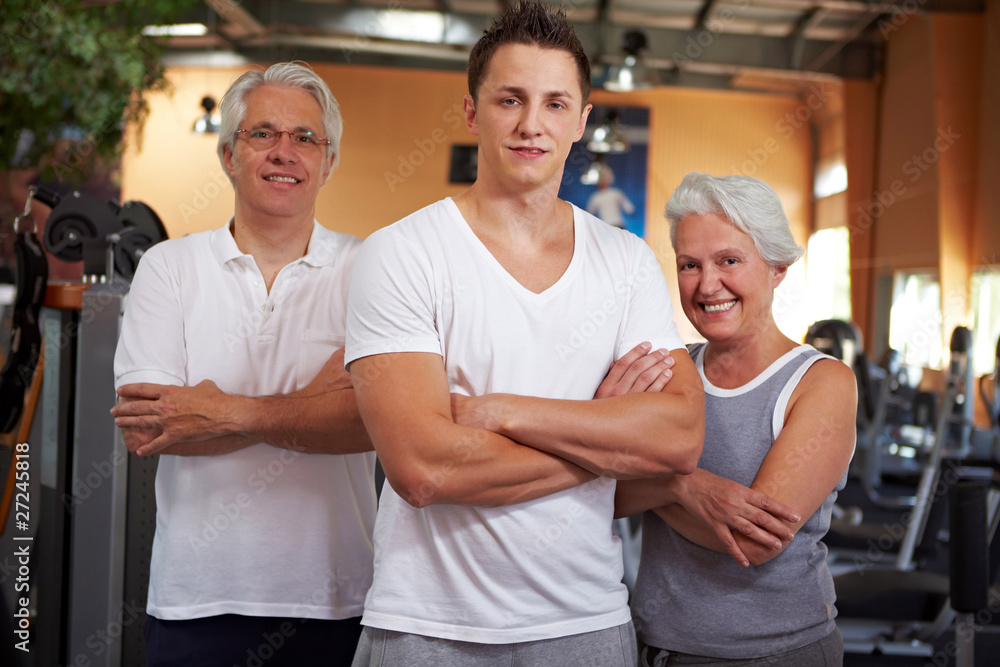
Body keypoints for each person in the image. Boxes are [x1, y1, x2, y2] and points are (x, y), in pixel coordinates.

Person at [344, 3, 705, 665]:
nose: (531, 123)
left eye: (554, 103)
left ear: (582, 120)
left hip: (584, 624)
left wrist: (505, 413)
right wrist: (605, 437)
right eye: (510, 99)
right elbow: (423, 469)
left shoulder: (625, 263)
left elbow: (678, 437)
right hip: (426, 627)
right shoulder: (401, 254)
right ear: (472, 112)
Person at [110, 62, 375, 667]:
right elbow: (152, 429)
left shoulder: (371, 270)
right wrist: (316, 403)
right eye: (264, 134)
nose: (286, 152)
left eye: (306, 138)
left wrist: (220, 411)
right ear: (229, 155)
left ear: (328, 162)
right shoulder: (168, 268)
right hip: (195, 602)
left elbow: (376, 422)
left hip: (340, 600)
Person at [616, 172, 857, 666]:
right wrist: (685, 487)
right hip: (657, 645)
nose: (707, 285)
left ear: (776, 267)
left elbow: (755, 537)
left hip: (775, 653)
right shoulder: (666, 367)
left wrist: (654, 478)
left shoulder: (821, 383)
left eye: (729, 260)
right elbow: (604, 493)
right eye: (689, 265)